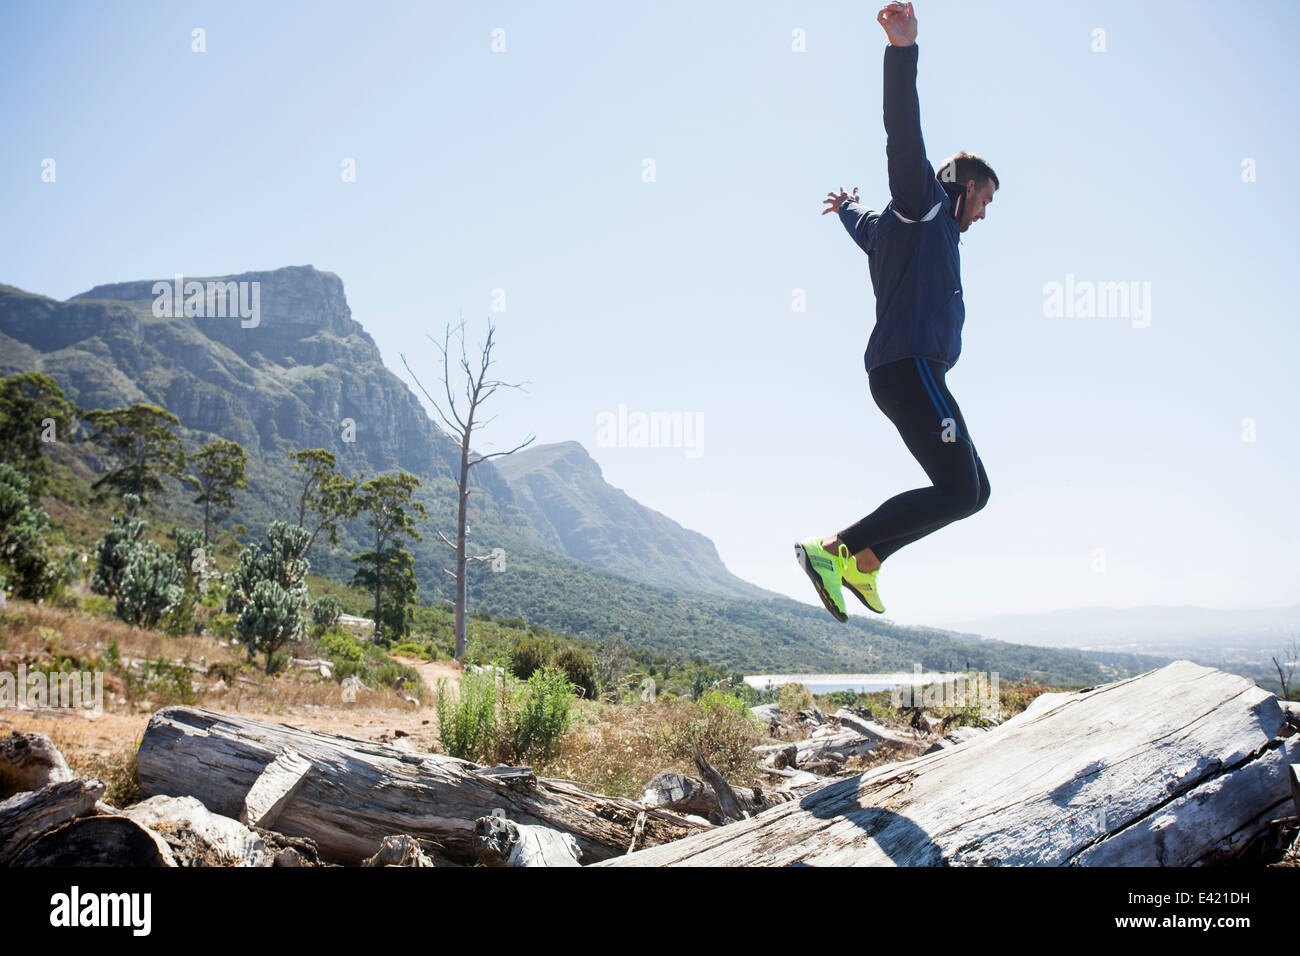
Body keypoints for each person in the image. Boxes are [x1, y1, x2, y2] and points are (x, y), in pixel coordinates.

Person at [794, 1, 998, 622]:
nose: (984, 214)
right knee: (961, 489)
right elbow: (902, 133)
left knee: (975, 492)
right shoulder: (925, 202)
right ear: (963, 188)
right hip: (908, 368)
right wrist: (902, 52)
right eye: (984, 199)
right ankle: (837, 550)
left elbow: (866, 231)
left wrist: (847, 212)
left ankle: (865, 561)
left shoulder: (894, 226)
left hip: (909, 373)